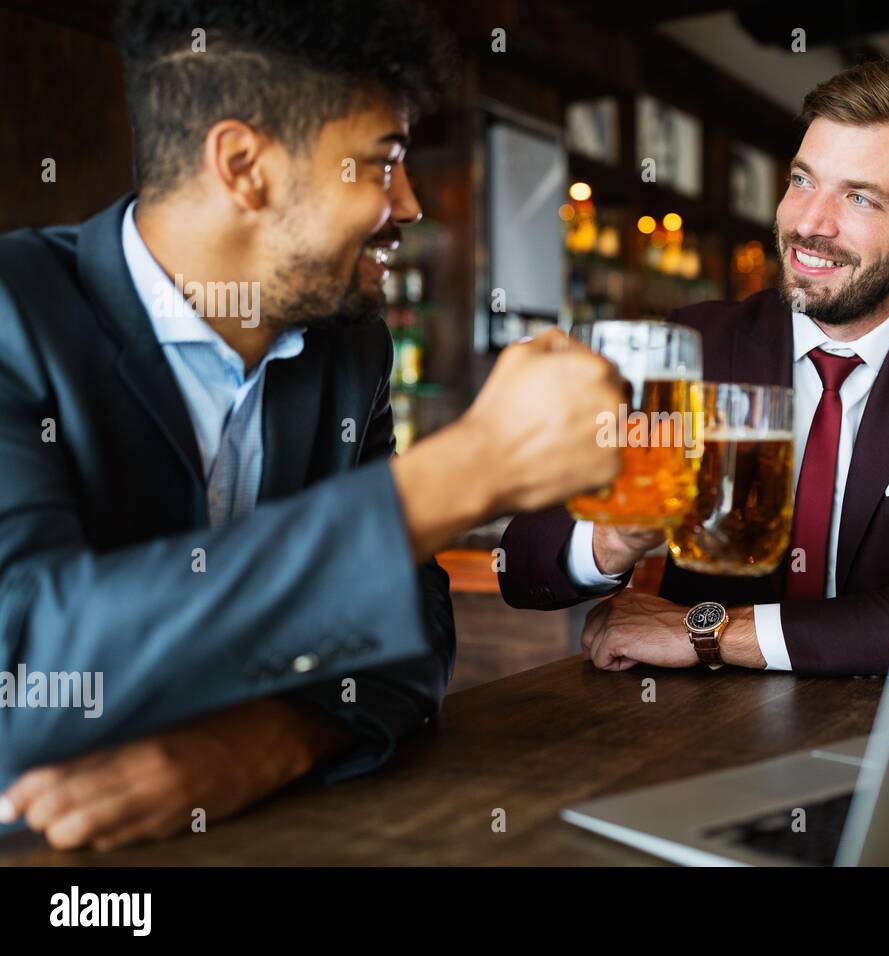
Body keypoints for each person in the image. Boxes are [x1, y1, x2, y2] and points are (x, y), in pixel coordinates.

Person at [0, 0, 622, 850]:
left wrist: (262, 746)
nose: (408, 205)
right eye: (382, 162)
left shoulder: (349, 346)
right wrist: (466, 470)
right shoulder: (13, 316)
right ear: (244, 165)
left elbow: (413, 635)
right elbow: (27, 672)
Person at [498, 60, 889, 676]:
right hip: (699, 737)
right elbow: (524, 567)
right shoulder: (693, 343)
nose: (809, 224)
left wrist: (706, 632)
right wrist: (613, 539)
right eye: (802, 180)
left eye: (859, 197)